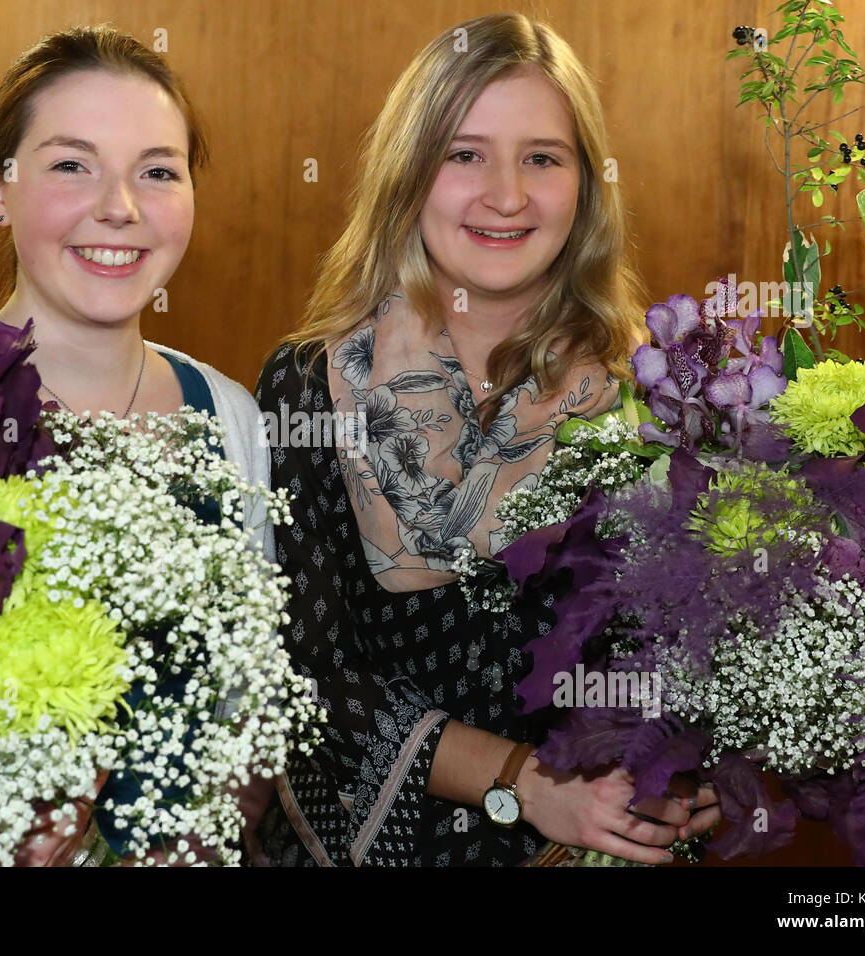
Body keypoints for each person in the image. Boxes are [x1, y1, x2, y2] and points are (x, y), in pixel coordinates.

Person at [253, 13, 721, 866]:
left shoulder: (658, 398)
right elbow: (305, 678)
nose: (506, 194)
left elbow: (701, 660)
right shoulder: (304, 386)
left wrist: (706, 770)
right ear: (408, 174)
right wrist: (525, 784)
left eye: (542, 157)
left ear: (584, 184)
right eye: (464, 154)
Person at [0, 24, 273, 863]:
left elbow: (247, 702)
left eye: (158, 171)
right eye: (73, 164)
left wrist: (206, 833)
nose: (121, 207)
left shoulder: (232, 417)